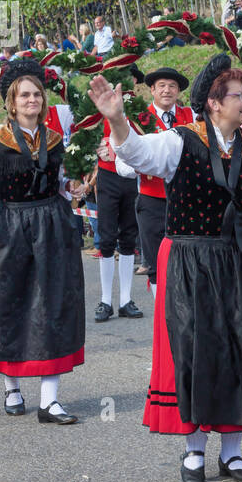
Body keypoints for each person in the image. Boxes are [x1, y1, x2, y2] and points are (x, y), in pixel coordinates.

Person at [91, 57, 242, 482]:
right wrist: (117, 122)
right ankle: (193, 450)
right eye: (239, 95)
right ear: (214, 103)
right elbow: (136, 154)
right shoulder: (179, 141)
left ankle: (233, 451)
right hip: (192, 258)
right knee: (197, 346)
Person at [0, 59, 87, 422]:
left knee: (54, 305)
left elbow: (59, 184)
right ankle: (12, 386)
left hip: (52, 227)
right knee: (12, 304)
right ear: (12, 103)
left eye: (37, 95)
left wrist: (72, 187)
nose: (32, 100)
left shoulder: (58, 141)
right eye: (25, 95)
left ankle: (50, 400)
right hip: (11, 229)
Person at [134, 67, 194, 298]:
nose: (167, 90)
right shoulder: (140, 117)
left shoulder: (190, 116)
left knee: (186, 256)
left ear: (178, 91)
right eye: (162, 86)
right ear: (152, 90)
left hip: (185, 197)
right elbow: (126, 162)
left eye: (172, 86)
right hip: (152, 199)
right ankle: (163, 318)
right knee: (156, 263)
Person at [95, 105, 144, 323]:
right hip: (107, 177)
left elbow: (146, 141)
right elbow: (83, 145)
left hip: (131, 179)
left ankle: (125, 300)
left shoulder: (136, 116)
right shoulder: (97, 118)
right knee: (106, 238)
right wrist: (95, 150)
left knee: (128, 238)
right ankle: (106, 300)